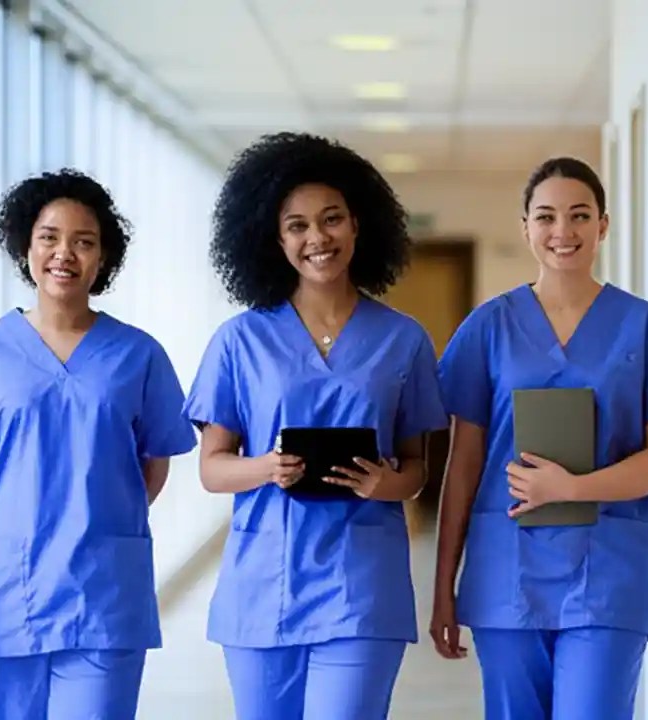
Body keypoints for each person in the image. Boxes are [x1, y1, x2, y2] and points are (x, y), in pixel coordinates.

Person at [430, 157, 648, 719]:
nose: (564, 231)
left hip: (605, 570)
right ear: (526, 227)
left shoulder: (643, 326)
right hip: (505, 569)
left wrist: (570, 488)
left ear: (603, 225)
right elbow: (463, 466)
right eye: (547, 216)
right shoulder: (489, 326)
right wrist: (443, 587)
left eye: (580, 216)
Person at [182, 132, 449, 720]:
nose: (317, 238)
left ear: (358, 224)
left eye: (331, 219)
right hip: (263, 582)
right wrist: (265, 467)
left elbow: (418, 469)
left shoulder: (402, 340)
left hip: (362, 583)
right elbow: (212, 468)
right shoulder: (239, 341)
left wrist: (388, 483)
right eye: (297, 225)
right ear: (274, 239)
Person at [0, 169, 197, 719]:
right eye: (49, 236)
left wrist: (95, 520)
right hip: (9, 593)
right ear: (26, 245)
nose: (64, 253)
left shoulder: (137, 356)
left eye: (84, 241)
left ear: (103, 258)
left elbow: (154, 462)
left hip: (107, 593)